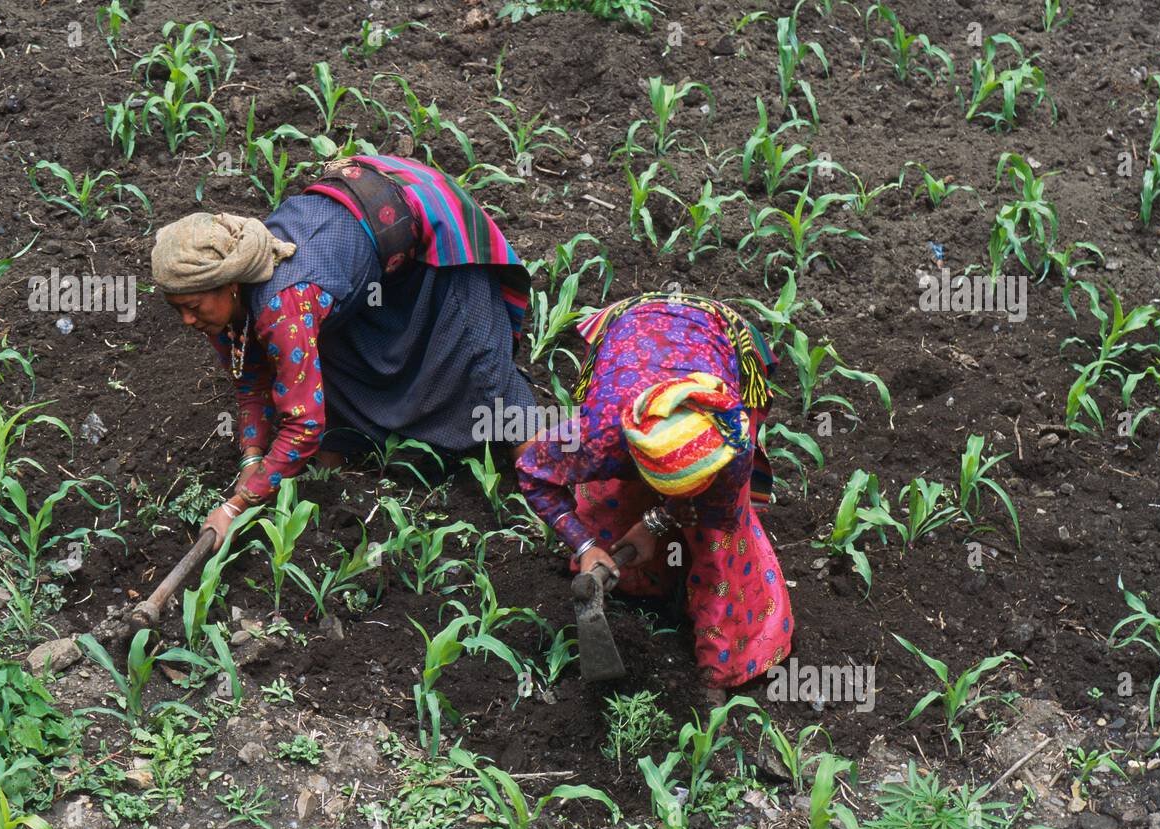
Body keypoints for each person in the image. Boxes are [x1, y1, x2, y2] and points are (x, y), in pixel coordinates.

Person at [150, 155, 535, 547]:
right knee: (336, 356)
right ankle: (333, 470)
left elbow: (303, 426)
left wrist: (235, 506)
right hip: (365, 253)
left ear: (229, 284)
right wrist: (252, 461)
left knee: (481, 364)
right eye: (176, 308)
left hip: (427, 214)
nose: (186, 321)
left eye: (193, 307)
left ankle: (547, 486)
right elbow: (251, 381)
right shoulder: (225, 310)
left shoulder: (284, 304)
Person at [514, 292, 793, 696]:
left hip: (718, 333)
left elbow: (720, 515)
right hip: (634, 330)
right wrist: (585, 544)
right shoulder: (599, 433)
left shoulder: (732, 442)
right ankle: (639, 566)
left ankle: (722, 664)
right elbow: (533, 474)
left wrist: (655, 523)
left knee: (718, 547)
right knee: (616, 504)